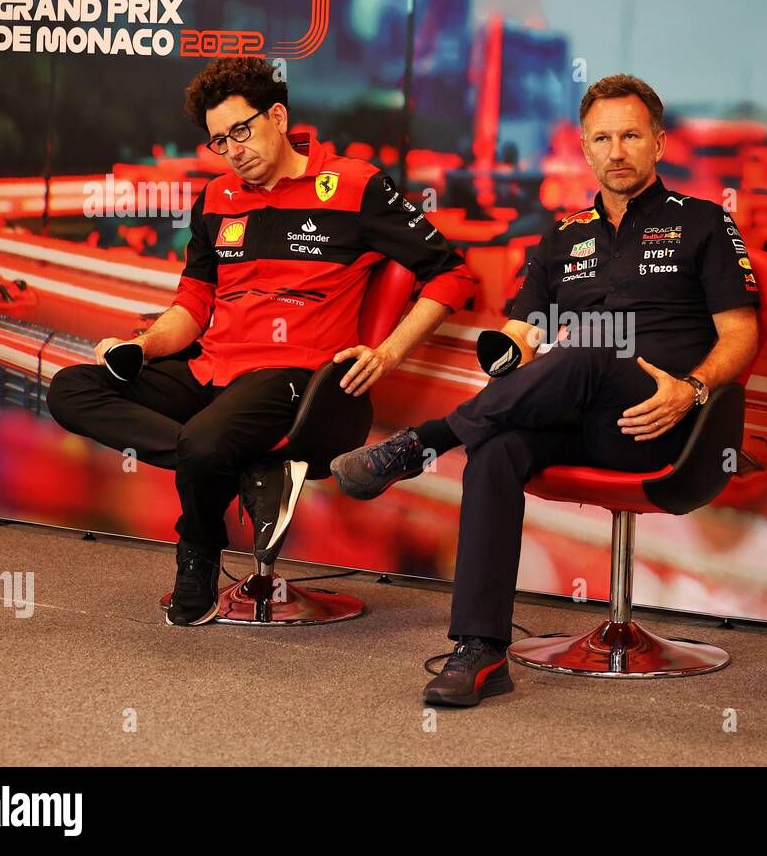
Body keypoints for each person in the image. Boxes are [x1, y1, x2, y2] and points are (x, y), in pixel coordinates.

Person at [331, 74, 761, 706]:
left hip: (663, 423)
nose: (617, 151)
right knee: (498, 448)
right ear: (584, 149)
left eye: (631, 136)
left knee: (590, 346)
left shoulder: (703, 223)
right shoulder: (562, 234)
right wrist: (513, 350)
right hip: (575, 417)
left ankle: (423, 443)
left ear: (660, 143)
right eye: (602, 138)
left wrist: (692, 390)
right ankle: (480, 652)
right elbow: (523, 330)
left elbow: (740, 333)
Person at [46, 57, 475, 626]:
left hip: (298, 380)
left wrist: (388, 353)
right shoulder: (217, 198)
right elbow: (192, 307)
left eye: (242, 130)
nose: (233, 149)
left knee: (205, 443)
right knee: (70, 389)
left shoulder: (353, 184)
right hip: (210, 370)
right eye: (219, 140)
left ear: (277, 115)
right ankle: (246, 467)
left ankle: (196, 552)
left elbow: (453, 275)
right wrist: (144, 347)